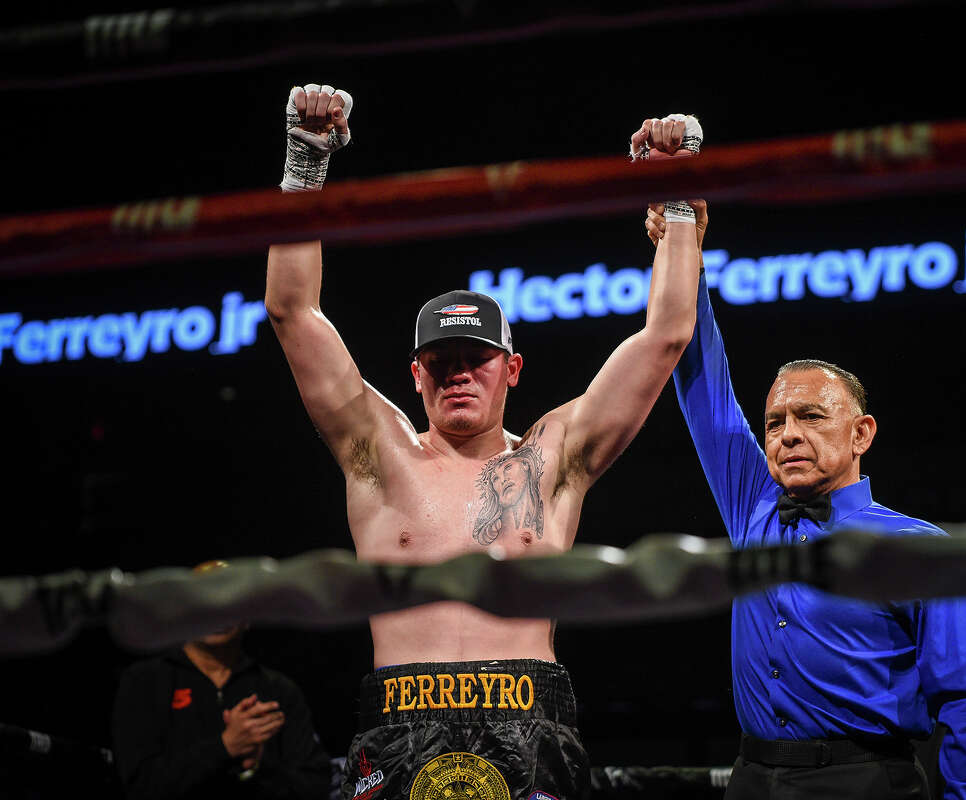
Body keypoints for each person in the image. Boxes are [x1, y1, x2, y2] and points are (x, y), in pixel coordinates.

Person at [265, 83, 704, 800]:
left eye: (475, 359)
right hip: (401, 719)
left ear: (512, 368)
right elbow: (292, 311)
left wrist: (679, 194)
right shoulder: (378, 455)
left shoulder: (552, 458)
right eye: (441, 362)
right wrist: (305, 161)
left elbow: (665, 336)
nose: (459, 374)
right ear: (415, 374)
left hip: (529, 720)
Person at [645, 204, 966, 800]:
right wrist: (683, 242)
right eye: (774, 422)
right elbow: (699, 373)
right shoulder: (753, 509)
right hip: (753, 779)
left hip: (869, 782)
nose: (788, 434)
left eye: (811, 417)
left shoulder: (920, 549)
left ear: (861, 434)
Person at [111, 560, 330, 800]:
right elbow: (139, 786)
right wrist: (225, 746)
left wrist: (254, 769)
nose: (216, 613)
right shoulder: (145, 682)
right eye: (204, 601)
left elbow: (316, 786)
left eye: (229, 601)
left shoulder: (279, 691)